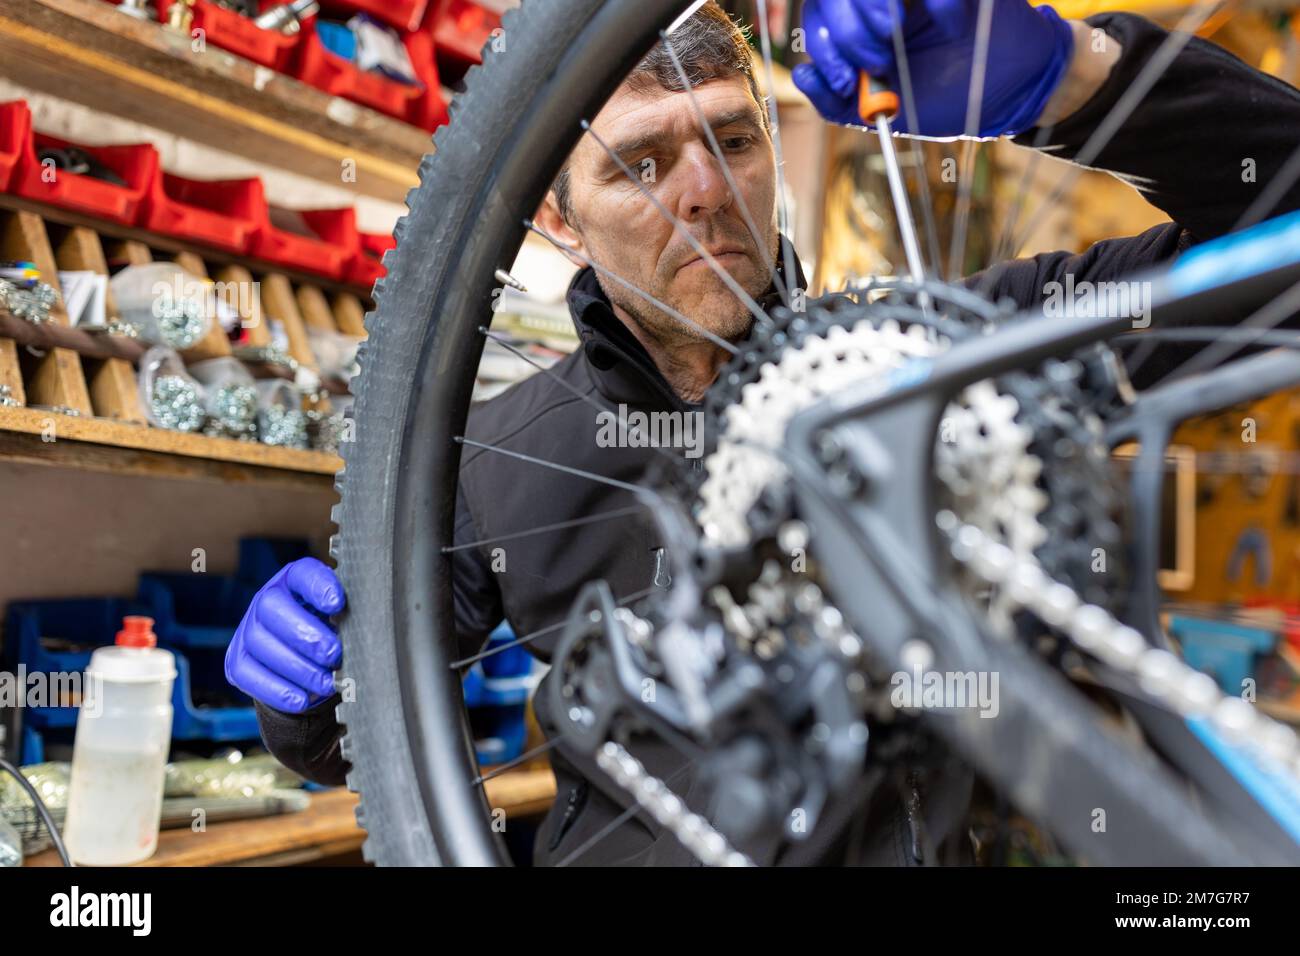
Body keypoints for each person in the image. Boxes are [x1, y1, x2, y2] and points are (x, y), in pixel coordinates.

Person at [226, 0, 1300, 864]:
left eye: (732, 139)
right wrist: (309, 691)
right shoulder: (485, 456)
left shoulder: (949, 364)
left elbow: (1278, 251)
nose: (704, 191)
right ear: (557, 216)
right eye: (640, 163)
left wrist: (1074, 76)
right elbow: (366, 741)